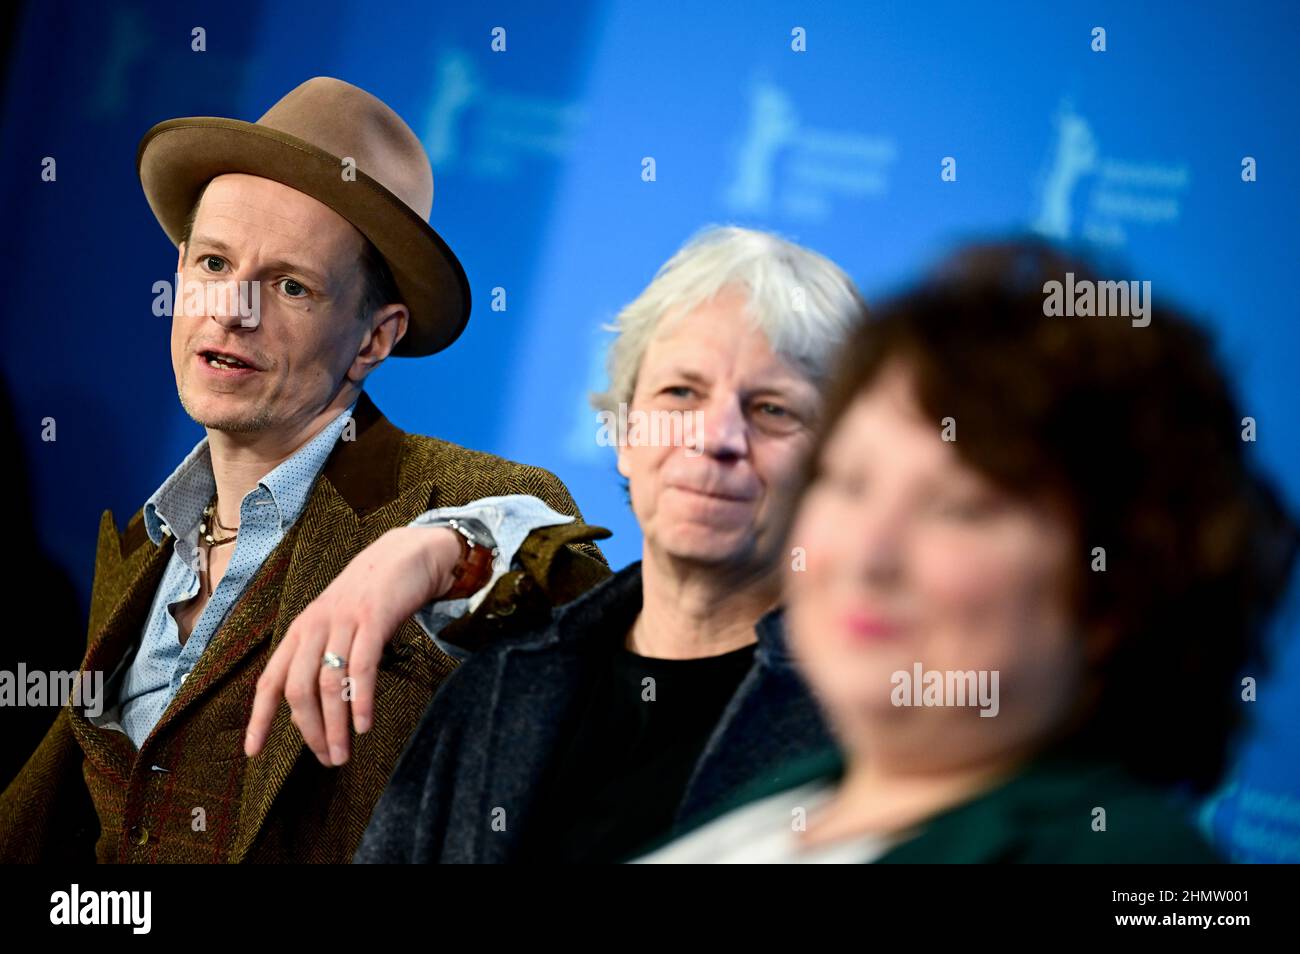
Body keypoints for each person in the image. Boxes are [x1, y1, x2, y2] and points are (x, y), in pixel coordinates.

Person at [0, 77, 608, 863]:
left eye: (290, 285)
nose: (233, 311)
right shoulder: (150, 546)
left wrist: (443, 550)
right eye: (215, 264)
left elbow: (575, 596)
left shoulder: (451, 501)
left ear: (373, 340)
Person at [637, 240, 1298, 863]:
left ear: (1115, 587)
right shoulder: (792, 796)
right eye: (849, 481)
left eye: (956, 507)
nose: (867, 555)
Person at [351, 225, 866, 862]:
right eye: (682, 392)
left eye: (773, 410)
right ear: (625, 434)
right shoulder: (495, 689)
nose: (716, 437)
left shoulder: (871, 729)